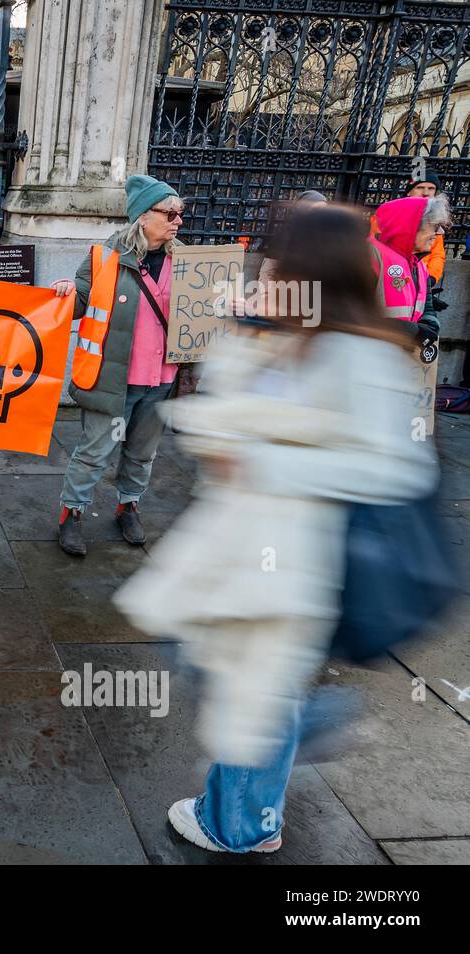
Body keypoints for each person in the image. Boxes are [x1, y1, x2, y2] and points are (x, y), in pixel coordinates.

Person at [113, 205, 439, 853]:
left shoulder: (360, 354)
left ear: (315, 268)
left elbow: (390, 467)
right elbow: (228, 402)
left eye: (285, 258)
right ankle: (263, 779)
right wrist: (246, 327)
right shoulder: (295, 333)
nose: (274, 266)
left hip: (290, 559)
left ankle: (239, 822)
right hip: (241, 548)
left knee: (252, 688)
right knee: (223, 669)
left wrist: (259, 454)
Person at [50, 174, 188, 556]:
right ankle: (71, 514)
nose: (178, 221)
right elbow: (80, 300)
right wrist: (65, 292)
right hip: (112, 378)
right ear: (143, 216)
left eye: (181, 213)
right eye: (170, 212)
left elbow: (201, 315)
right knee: (95, 451)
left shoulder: (188, 262)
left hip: (162, 378)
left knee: (143, 452)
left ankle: (129, 506)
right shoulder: (105, 256)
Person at [370, 193, 449, 357]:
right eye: (433, 226)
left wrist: (429, 326)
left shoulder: (419, 265)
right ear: (409, 226)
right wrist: (411, 330)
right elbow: (352, 309)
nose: (438, 233)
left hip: (397, 357)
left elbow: (427, 307)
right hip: (369, 355)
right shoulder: (371, 254)